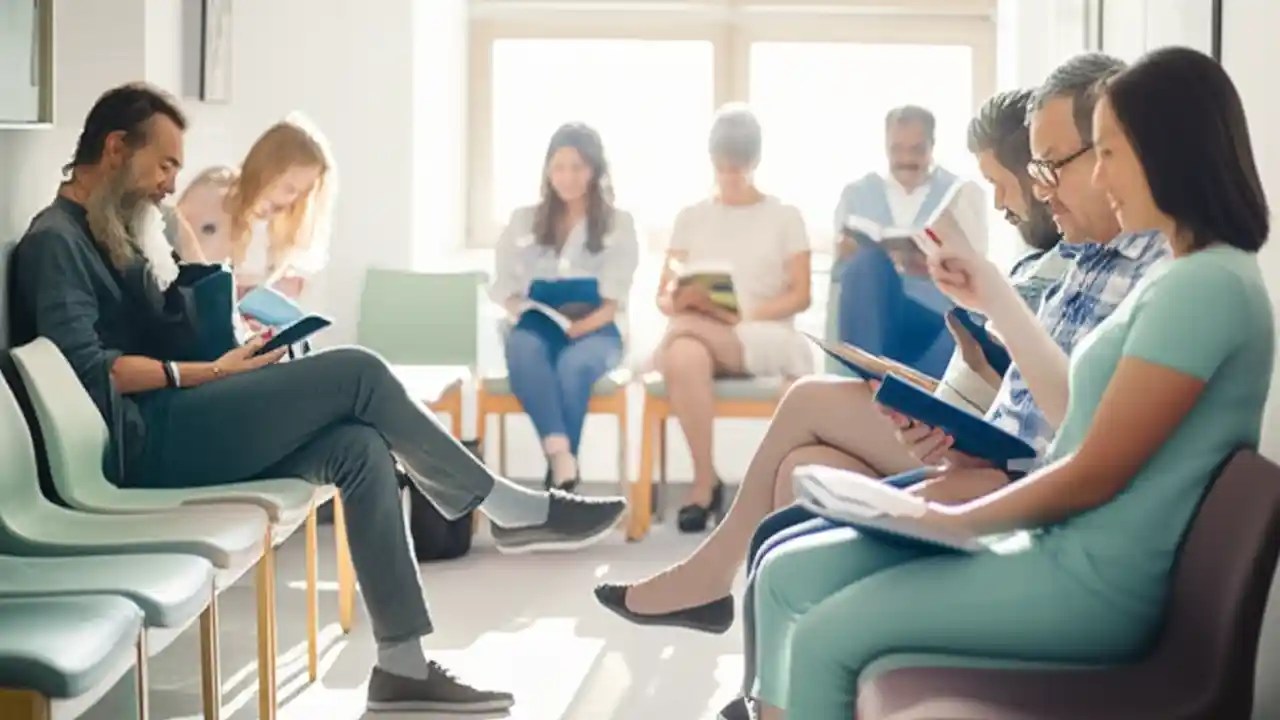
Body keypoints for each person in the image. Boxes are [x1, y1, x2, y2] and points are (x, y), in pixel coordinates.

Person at [7, 82, 628, 714]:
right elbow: (90, 372)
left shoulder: (118, 228)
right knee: (357, 370)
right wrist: (205, 374)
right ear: (116, 148)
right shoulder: (55, 242)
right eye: (164, 165)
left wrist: (203, 298)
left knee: (359, 449)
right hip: (138, 444)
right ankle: (501, 504)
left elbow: (164, 325)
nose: (171, 183)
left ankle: (402, 668)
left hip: (176, 417)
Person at [746, 45, 1273, 719]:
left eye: (1108, 152)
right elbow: (1081, 416)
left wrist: (954, 520)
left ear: (1164, 153)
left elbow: (1094, 474)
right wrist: (995, 298)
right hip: (1060, 549)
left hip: (1092, 583)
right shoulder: (1185, 277)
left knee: (827, 635)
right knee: (793, 576)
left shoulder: (1207, 289)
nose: (1093, 177)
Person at [648, 103, 813, 533]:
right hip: (702, 335)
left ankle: (666, 346)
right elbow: (664, 294)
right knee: (683, 353)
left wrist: (740, 314)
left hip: (765, 335)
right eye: (722, 167)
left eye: (738, 168)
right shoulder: (691, 217)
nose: (730, 175)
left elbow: (801, 294)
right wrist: (683, 305)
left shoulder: (784, 216)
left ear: (755, 162)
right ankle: (705, 482)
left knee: (680, 340)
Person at [490, 123, 638, 491]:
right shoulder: (524, 220)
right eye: (559, 168)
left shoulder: (619, 224)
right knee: (523, 348)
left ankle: (560, 473)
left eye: (578, 167)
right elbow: (505, 287)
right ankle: (561, 457)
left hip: (596, 328)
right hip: (540, 323)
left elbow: (613, 303)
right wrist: (522, 308)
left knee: (574, 366)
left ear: (595, 170)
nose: (568, 177)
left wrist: (578, 329)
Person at [830, 105, 990, 378]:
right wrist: (847, 255)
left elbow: (975, 269)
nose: (906, 159)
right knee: (865, 264)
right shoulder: (855, 194)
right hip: (877, 316)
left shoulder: (960, 194)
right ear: (885, 146)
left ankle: (880, 386)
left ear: (932, 145)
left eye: (916, 150)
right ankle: (868, 382)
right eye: (897, 149)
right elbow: (842, 273)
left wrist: (926, 263)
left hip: (936, 319)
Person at [175, 114, 335, 301]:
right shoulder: (216, 192)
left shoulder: (275, 227)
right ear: (266, 170)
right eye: (289, 188)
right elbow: (174, 241)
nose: (291, 200)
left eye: (301, 194)